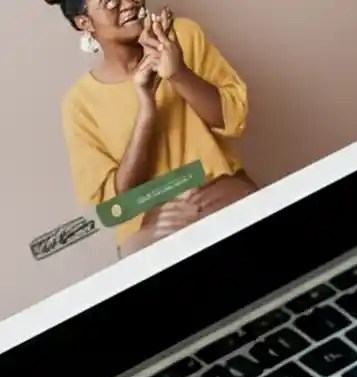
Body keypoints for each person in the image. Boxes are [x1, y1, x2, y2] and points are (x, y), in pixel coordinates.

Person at [47, 0, 256, 256]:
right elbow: (114, 206)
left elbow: (233, 118)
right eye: (108, 2)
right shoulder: (79, 103)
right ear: (84, 22)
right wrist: (146, 109)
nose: (127, 2)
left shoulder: (183, 36)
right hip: (149, 232)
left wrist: (179, 73)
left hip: (223, 196)